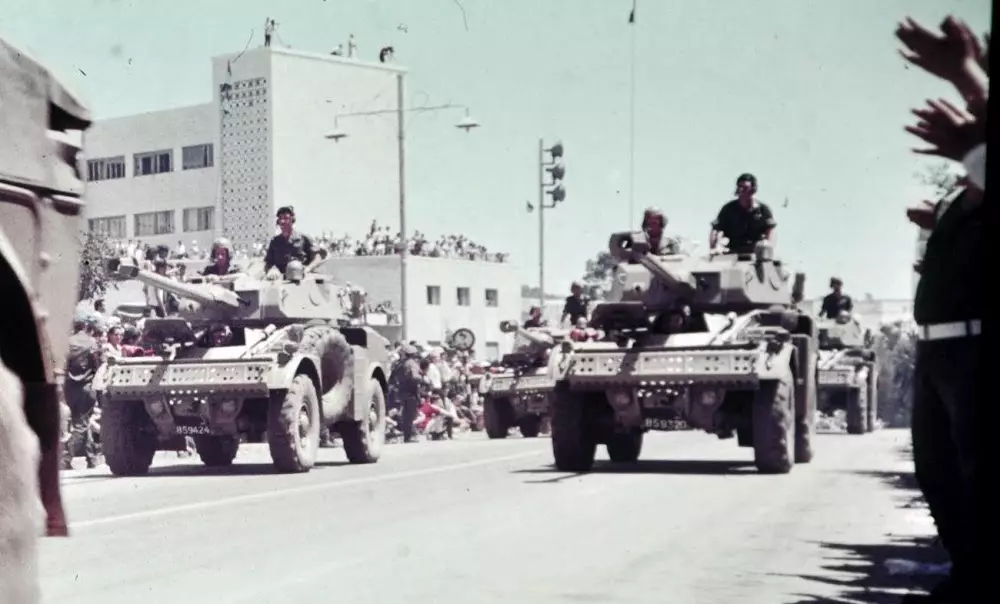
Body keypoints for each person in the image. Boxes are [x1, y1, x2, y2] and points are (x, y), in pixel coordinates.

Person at [896, 14, 987, 603]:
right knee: (940, 472)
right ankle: (970, 574)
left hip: (976, 350)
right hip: (942, 349)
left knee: (980, 477)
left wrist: (965, 75)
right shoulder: (965, 187)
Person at [63, 314, 103, 470]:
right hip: (86, 386)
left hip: (70, 387)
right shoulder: (91, 342)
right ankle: (65, 458)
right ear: (86, 326)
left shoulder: (67, 342)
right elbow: (97, 365)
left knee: (80, 422)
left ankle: (91, 458)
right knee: (81, 424)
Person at [708, 173, 776, 254]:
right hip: (732, 252)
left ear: (753, 190)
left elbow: (770, 231)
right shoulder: (728, 209)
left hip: (756, 254)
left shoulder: (763, 210)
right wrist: (714, 247)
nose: (741, 190)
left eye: (745, 188)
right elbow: (716, 229)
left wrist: (767, 249)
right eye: (739, 187)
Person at [263, 206, 316, 280]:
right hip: (280, 280)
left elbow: (317, 257)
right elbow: (268, 263)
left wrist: (308, 268)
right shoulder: (274, 241)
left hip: (301, 279)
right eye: (280, 218)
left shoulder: (304, 238)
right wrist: (271, 270)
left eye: (285, 218)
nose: (282, 221)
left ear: (292, 220)